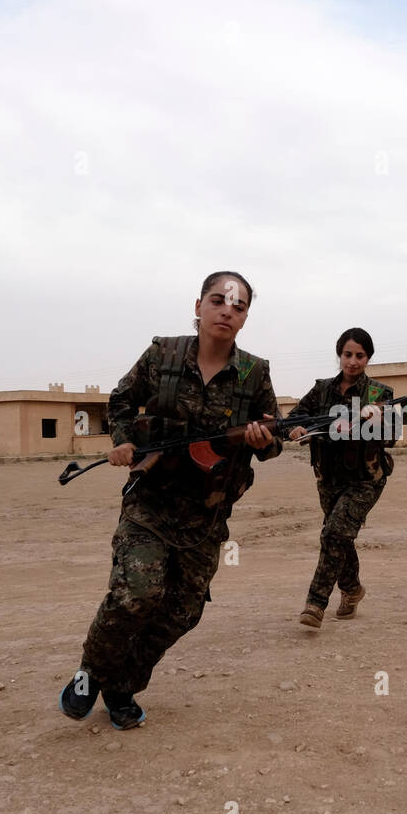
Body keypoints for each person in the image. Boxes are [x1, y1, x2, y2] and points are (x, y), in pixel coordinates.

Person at [59, 271, 282, 730]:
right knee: (136, 596)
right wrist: (121, 440)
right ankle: (91, 674)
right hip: (151, 503)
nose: (227, 310)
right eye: (219, 300)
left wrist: (263, 439)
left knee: (182, 611)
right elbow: (120, 400)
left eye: (238, 306)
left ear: (245, 318)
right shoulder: (163, 355)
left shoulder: (254, 373)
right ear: (198, 305)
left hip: (207, 514)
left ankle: (123, 686)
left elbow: (273, 439)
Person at [287, 328, 395, 628]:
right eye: (348, 354)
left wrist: (377, 421)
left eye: (360, 355)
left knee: (334, 533)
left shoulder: (378, 394)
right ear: (340, 355)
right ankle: (352, 589)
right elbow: (296, 417)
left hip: (366, 478)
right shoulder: (322, 390)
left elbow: (392, 436)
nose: (353, 361)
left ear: (368, 358)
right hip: (329, 478)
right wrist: (295, 429)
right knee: (341, 538)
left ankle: (315, 603)